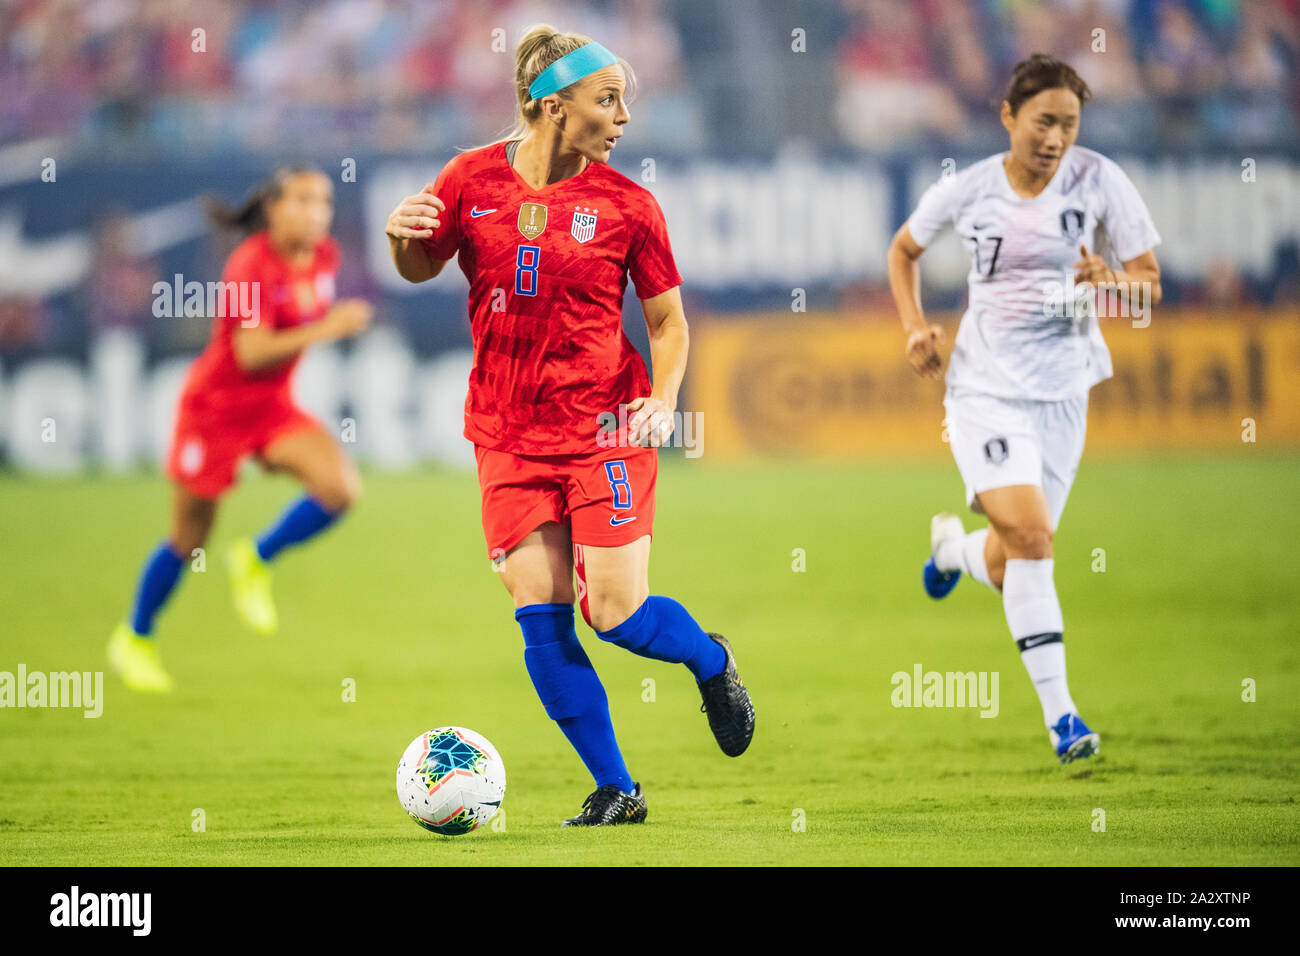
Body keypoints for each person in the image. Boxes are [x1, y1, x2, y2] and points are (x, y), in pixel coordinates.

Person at [385, 24, 755, 826]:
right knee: (540, 610)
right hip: (506, 434)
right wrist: (399, 240)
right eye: (608, 99)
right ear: (553, 106)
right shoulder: (470, 178)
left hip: (606, 429)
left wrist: (664, 397)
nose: (624, 117)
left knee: (615, 612)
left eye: (625, 100)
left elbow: (668, 323)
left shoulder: (629, 205)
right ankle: (618, 789)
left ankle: (711, 659)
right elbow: (421, 263)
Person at [886, 54, 1162, 763]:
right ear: (1009, 116)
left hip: (1065, 393)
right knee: (1036, 539)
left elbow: (1150, 289)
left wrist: (1115, 281)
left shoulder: (1102, 181)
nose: (1056, 137)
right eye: (1044, 121)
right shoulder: (970, 190)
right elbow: (904, 251)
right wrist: (916, 327)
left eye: (1069, 124)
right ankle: (1064, 720)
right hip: (983, 389)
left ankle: (952, 550)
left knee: (1017, 561)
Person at [108, 166, 373, 692]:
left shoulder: (324, 258)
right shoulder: (251, 263)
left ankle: (255, 557)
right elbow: (251, 353)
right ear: (273, 208)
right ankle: (134, 638)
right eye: (301, 200)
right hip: (214, 412)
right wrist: (330, 326)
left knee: (340, 489)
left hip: (271, 408)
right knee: (189, 537)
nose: (315, 212)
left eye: (322, 202)